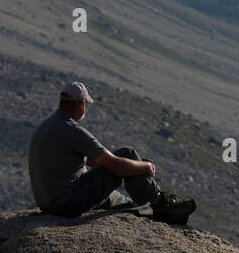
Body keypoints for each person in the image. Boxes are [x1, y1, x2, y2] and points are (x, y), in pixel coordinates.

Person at [28, 81, 196, 224]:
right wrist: (145, 166)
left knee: (124, 203)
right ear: (81, 104)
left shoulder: (46, 126)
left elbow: (92, 161)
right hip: (69, 202)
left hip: (49, 203)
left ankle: (152, 212)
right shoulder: (73, 131)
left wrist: (133, 167)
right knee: (127, 153)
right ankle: (161, 204)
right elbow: (117, 165)